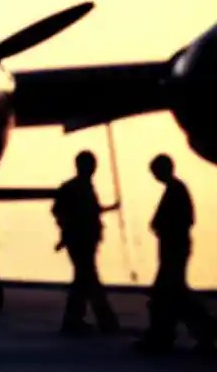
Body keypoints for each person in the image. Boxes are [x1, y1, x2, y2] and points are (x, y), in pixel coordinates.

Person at [136, 154, 215, 353]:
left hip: (174, 251)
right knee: (172, 295)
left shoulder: (176, 191)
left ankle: (164, 336)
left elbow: (183, 220)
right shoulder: (174, 190)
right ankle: (166, 335)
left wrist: (163, 227)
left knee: (168, 295)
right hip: (173, 250)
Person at [51, 150, 120, 334]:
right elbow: (61, 211)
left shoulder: (82, 187)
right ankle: (101, 320)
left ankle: (77, 320)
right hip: (80, 240)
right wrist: (67, 230)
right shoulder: (74, 187)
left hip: (85, 239)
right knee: (87, 278)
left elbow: (87, 212)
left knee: (84, 280)